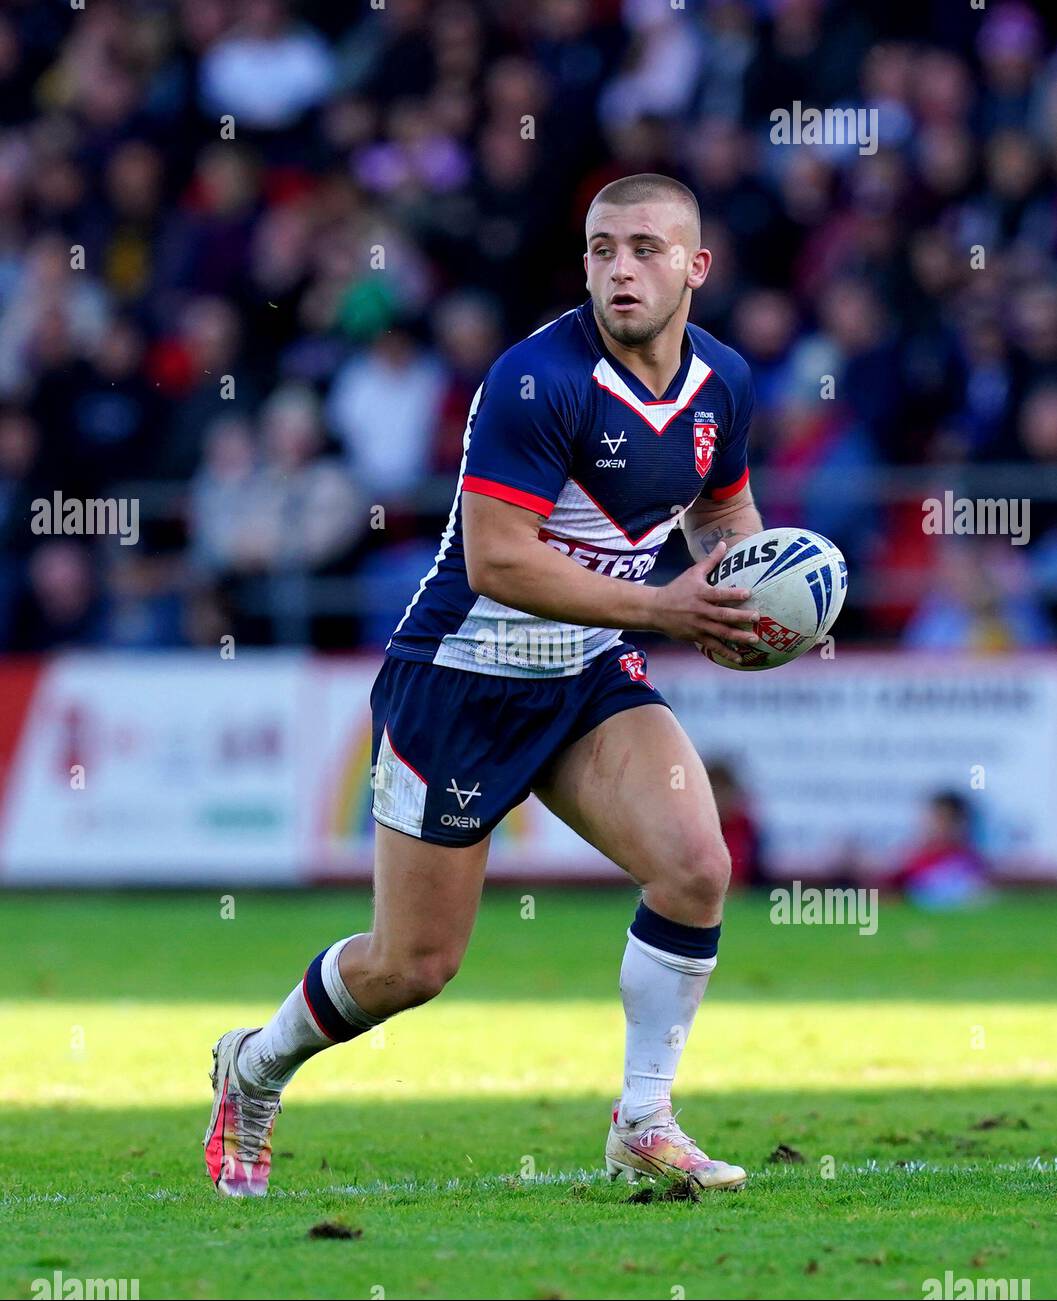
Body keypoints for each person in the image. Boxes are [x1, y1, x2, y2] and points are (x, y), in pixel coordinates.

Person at [204, 173, 764, 1196]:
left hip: (588, 670)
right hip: (462, 677)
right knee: (410, 966)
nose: (619, 267)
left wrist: (751, 586)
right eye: (601, 248)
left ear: (697, 266)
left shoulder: (722, 380)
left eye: (644, 247)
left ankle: (643, 1117)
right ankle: (254, 1064)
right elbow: (498, 562)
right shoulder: (531, 379)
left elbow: (722, 512)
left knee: (694, 865)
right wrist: (666, 609)